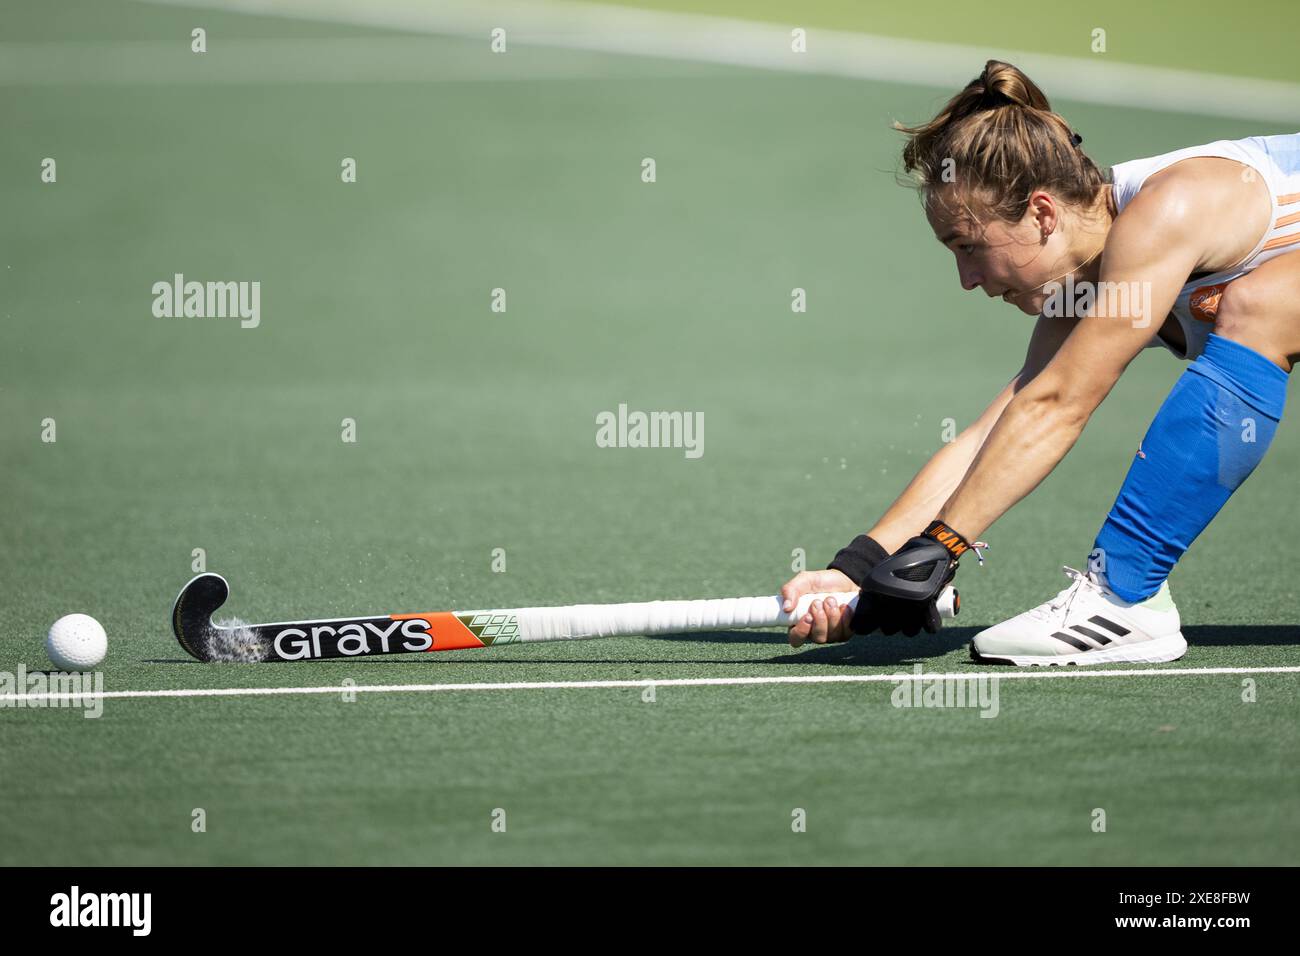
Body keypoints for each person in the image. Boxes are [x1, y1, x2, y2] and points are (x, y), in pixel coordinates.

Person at [781, 59, 1299, 665]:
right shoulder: (1082, 289)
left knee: (1261, 306)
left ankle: (1122, 601)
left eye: (969, 247)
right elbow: (999, 433)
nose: (967, 280)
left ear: (1044, 215)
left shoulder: (1168, 212)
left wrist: (941, 548)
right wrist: (862, 568)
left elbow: (1061, 406)